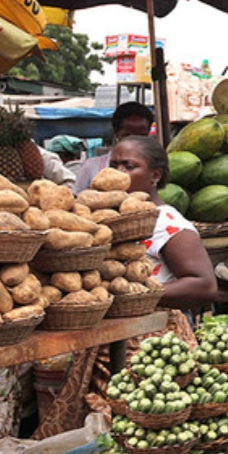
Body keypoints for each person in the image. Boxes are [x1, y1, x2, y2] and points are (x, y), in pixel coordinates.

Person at [109, 136, 218, 310]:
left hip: (156, 330)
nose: (118, 172)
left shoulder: (168, 223)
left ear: (155, 175)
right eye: (113, 165)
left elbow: (204, 286)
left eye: (129, 166)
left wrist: (135, 294)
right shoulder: (113, 217)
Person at [72, 102, 154, 193]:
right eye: (128, 136)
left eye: (141, 136)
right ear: (116, 133)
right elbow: (77, 197)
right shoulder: (91, 166)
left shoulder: (153, 168)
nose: (134, 142)